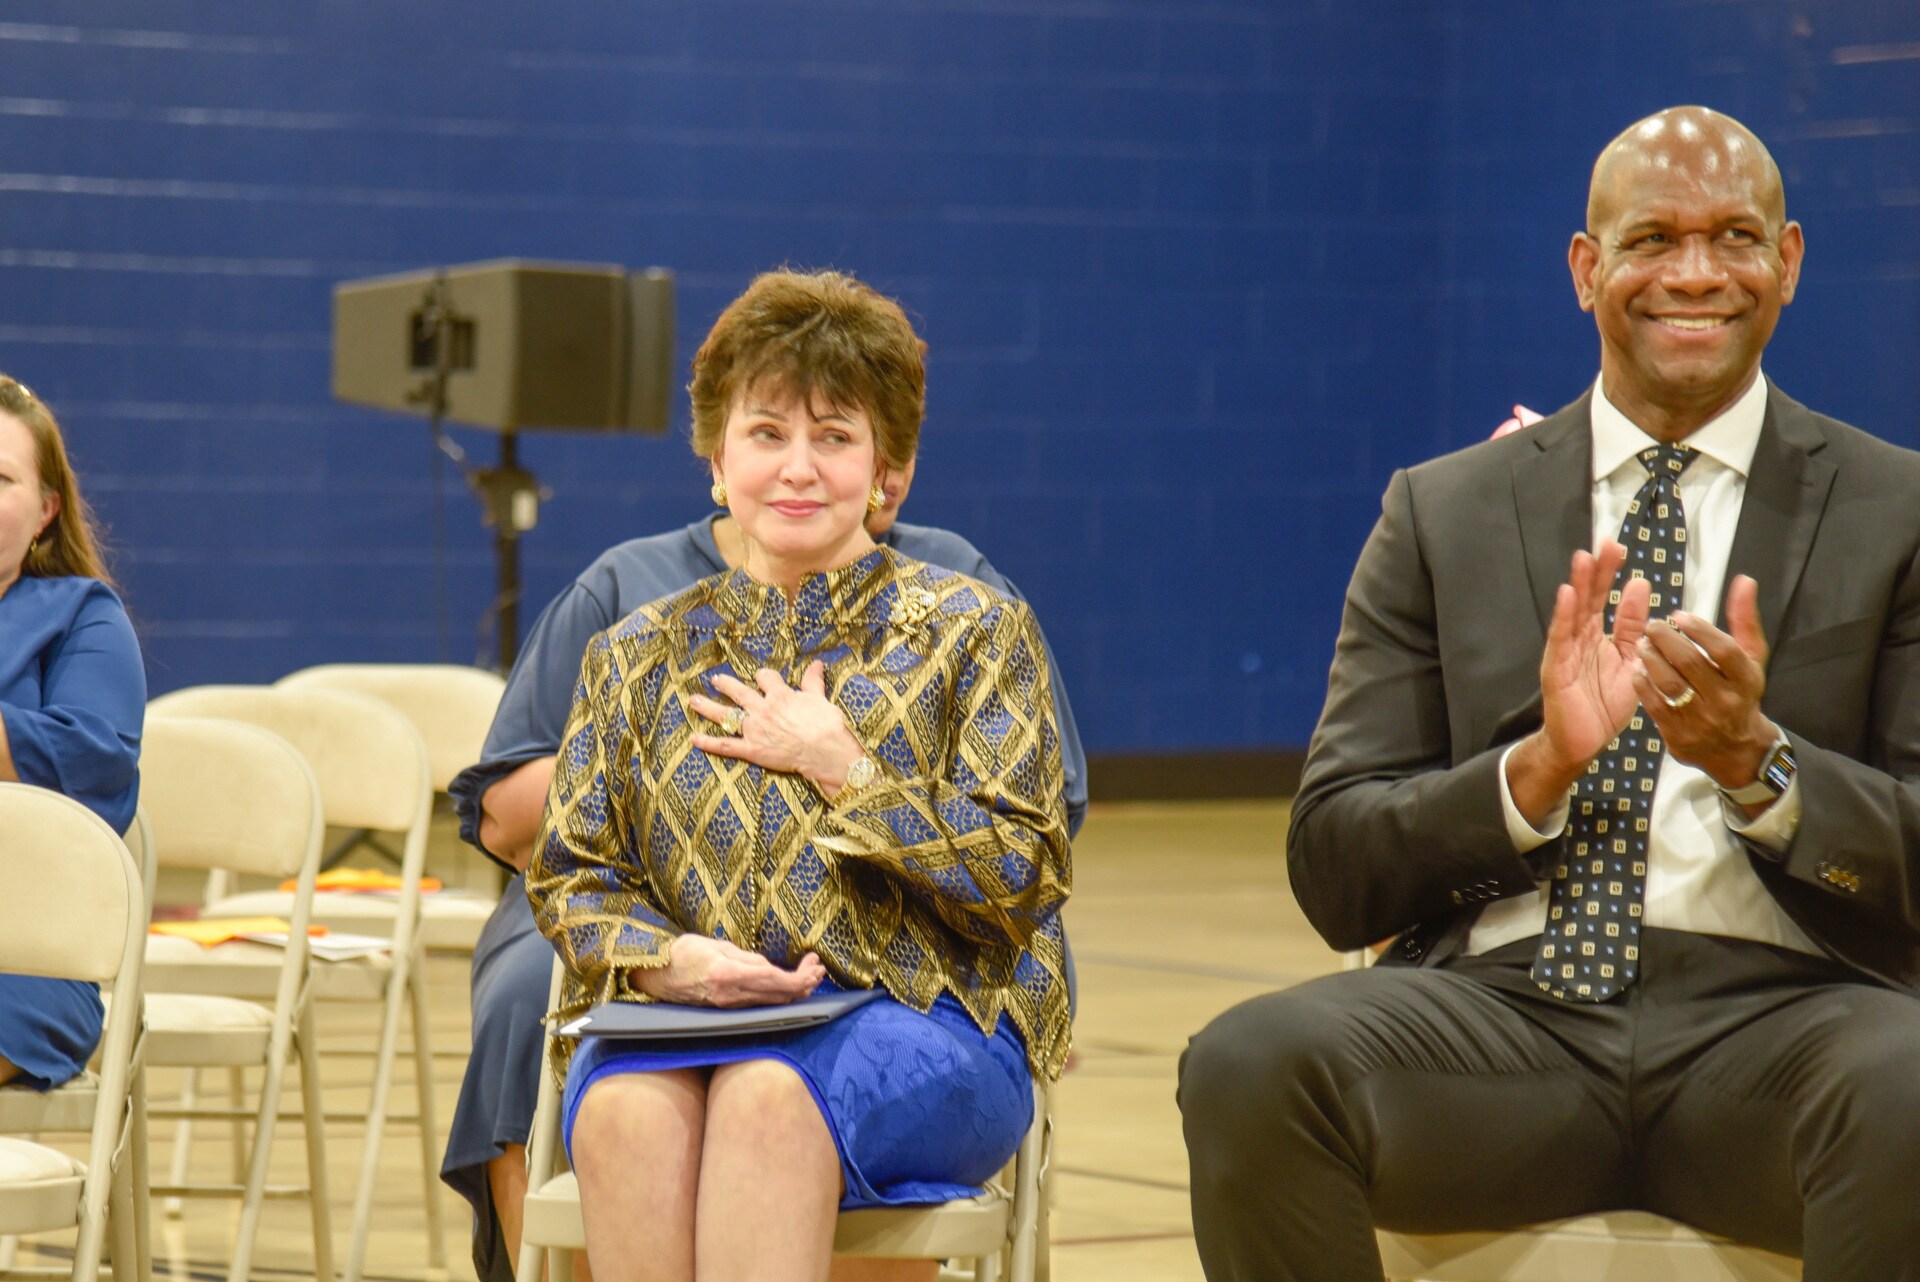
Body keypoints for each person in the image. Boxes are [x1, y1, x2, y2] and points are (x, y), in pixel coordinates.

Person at [1180, 106, 1920, 1280]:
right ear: (1588, 269)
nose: (1694, 273)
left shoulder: (1899, 510)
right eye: (1651, 239)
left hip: (1791, 1025)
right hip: (1507, 1023)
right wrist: (1534, 775)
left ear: (1788, 263)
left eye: (1734, 237)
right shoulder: (1443, 510)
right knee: (1251, 1064)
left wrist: (1760, 767)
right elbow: (1334, 862)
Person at [463, 269, 1075, 1282]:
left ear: (889, 469)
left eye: (835, 436)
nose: (799, 468)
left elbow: (1024, 872)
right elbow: (572, 874)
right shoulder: (634, 653)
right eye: (767, 434)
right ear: (716, 459)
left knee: (765, 1096)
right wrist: (669, 963)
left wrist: (849, 770)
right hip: (685, 1016)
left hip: (932, 1020)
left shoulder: (976, 630)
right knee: (619, 1112)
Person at [0, 374, 145, 1092]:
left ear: (46, 511)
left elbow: (89, 769)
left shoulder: (85, 617)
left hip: (26, 956)